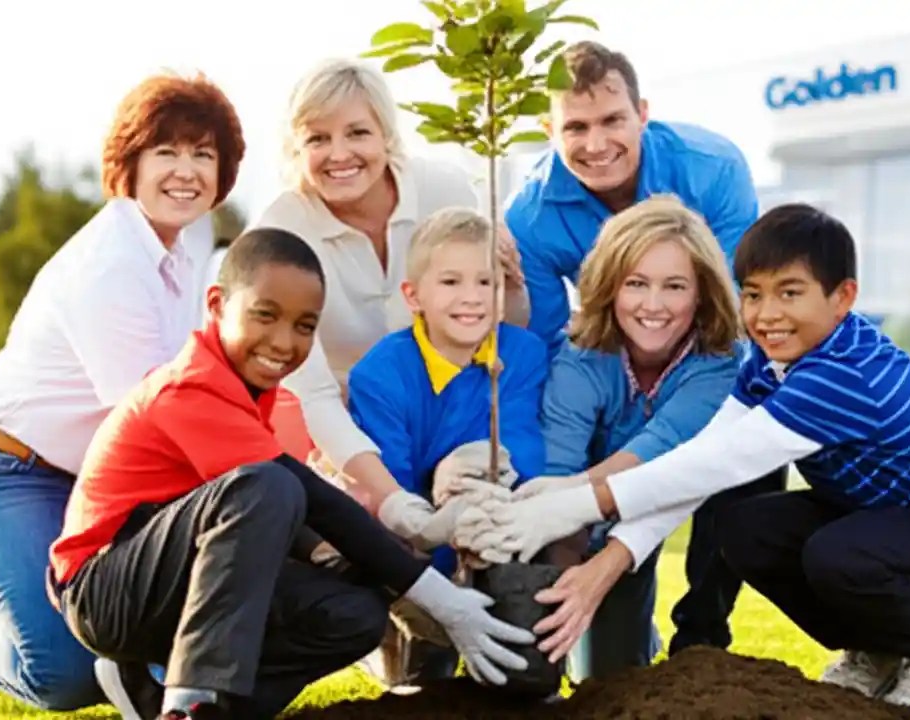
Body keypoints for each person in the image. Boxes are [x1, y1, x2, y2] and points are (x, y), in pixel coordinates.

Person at [463, 203, 910, 716]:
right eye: (754, 294)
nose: (767, 314)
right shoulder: (769, 364)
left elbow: (722, 463)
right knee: (744, 527)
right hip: (871, 514)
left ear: (842, 297)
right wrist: (574, 511)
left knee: (835, 555)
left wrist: (572, 507)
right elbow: (700, 460)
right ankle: (876, 647)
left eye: (790, 293)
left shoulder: (844, 373)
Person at [48, 228, 533, 720]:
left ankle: (161, 698)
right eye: (265, 315)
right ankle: (191, 702)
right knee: (270, 484)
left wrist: (356, 568)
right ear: (217, 305)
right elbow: (303, 495)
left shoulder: (260, 395)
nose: (284, 342)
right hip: (103, 587)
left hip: (176, 584)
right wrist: (439, 596)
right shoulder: (189, 387)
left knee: (355, 616)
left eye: (305, 326)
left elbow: (290, 523)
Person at [0, 71, 245, 711]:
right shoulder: (113, 263)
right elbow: (154, 422)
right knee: (64, 671)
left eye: (203, 154)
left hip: (88, 479)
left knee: (135, 647)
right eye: (166, 152)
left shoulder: (184, 249)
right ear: (131, 162)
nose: (186, 171)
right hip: (2, 471)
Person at [503, 40, 782, 655]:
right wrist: (562, 490)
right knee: (608, 666)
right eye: (575, 127)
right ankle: (590, 603)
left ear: (643, 112)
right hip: (607, 370)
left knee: (742, 462)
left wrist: (590, 490)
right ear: (548, 130)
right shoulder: (529, 214)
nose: (596, 143)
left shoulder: (712, 166)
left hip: (710, 362)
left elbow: (737, 312)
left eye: (612, 120)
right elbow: (546, 342)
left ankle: (701, 638)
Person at [249, 57, 529, 548]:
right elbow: (313, 396)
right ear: (297, 149)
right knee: (369, 546)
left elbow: (501, 326)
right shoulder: (280, 235)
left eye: (357, 132)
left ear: (386, 135)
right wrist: (394, 501)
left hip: (443, 407)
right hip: (339, 421)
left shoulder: (445, 192)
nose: (339, 154)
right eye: (317, 138)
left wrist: (513, 283)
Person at [513, 195, 743, 682]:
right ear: (610, 288)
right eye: (636, 284)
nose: (653, 305)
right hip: (581, 520)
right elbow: (559, 475)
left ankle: (699, 638)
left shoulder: (718, 364)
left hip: (653, 508)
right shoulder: (581, 357)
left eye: (674, 286)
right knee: (544, 667)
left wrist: (597, 550)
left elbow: (660, 454)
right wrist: (566, 590)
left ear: (700, 294)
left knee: (617, 679)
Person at [345, 206, 549, 689]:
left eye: (486, 283)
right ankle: (417, 643)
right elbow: (390, 488)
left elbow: (524, 447)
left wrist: (485, 478)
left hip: (497, 524)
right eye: (451, 282)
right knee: (426, 681)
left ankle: (523, 671)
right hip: (418, 541)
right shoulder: (380, 374)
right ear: (414, 296)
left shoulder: (521, 354)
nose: (471, 298)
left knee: (512, 670)